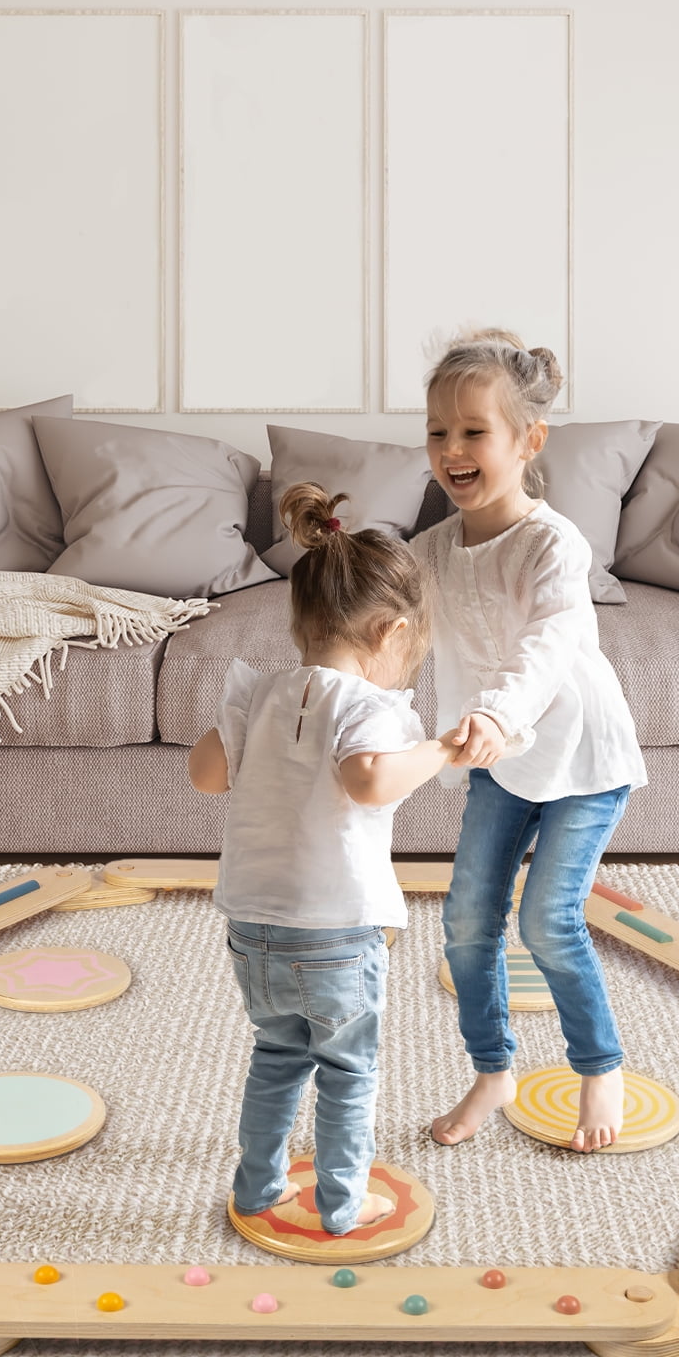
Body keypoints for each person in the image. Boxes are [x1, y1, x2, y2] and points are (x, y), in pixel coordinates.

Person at [188, 482, 459, 1235]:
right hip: (336, 929)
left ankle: (255, 1186)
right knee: (347, 1070)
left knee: (276, 1056)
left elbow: (205, 776)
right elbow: (368, 782)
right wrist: (434, 748)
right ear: (390, 632)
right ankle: (341, 1204)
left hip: (253, 924)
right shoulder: (372, 707)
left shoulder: (257, 695)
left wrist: (244, 734)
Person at [413, 328, 647, 1154]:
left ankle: (599, 1063)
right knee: (468, 922)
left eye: (474, 431)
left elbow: (545, 647)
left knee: (549, 921)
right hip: (498, 761)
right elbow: (390, 629)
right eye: (438, 432)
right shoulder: (431, 551)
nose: (452, 449)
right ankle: (492, 1070)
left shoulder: (555, 543)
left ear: (527, 440)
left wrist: (496, 715)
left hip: (581, 758)